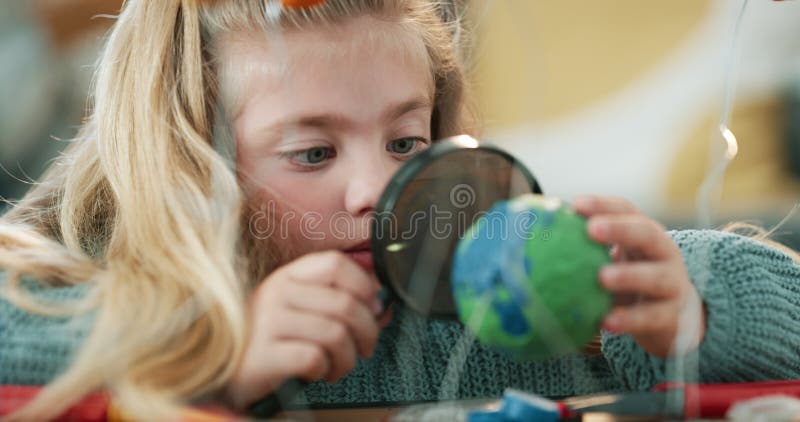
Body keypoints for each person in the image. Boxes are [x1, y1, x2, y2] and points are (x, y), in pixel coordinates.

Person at [1, 0, 799, 419]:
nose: (377, 191)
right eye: (313, 153)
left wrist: (693, 307)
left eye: (405, 142)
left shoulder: (485, 310)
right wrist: (210, 355)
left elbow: (771, 299)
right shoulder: (84, 274)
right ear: (188, 163)